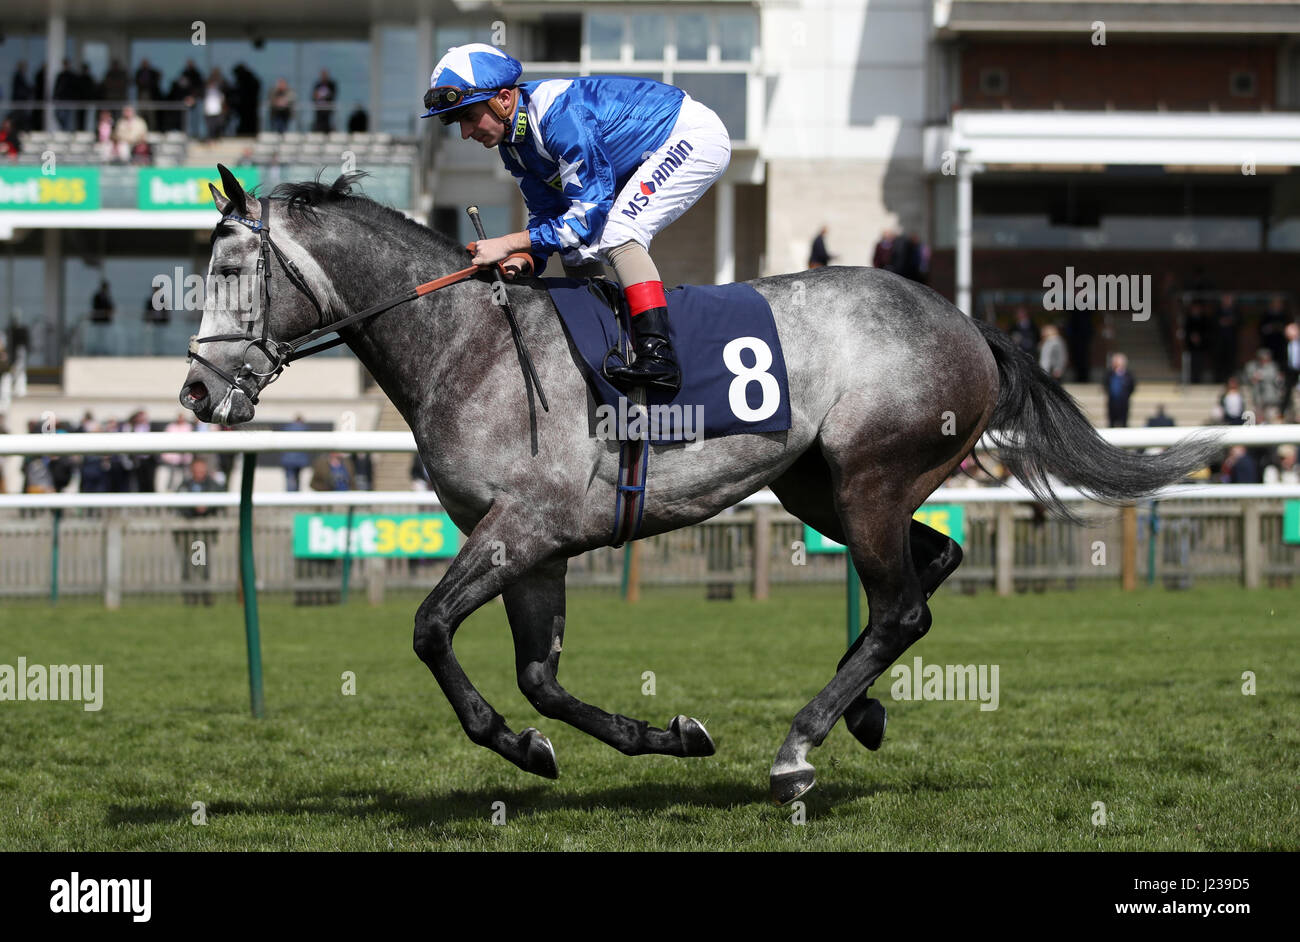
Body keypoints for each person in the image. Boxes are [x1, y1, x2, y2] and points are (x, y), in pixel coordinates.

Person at [421, 44, 731, 394]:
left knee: (618, 232)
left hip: (691, 136)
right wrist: (523, 259)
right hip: (643, 155)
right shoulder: (513, 147)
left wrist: (507, 242)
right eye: (455, 122)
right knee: (576, 252)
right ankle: (605, 347)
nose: (465, 133)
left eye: (468, 117)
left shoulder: (560, 118)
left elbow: (587, 218)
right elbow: (547, 216)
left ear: (503, 99)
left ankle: (658, 355)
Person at [175, 457, 224, 606]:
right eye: (197, 470)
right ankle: (191, 597)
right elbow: (179, 504)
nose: (200, 473)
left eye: (202, 470)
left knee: (201, 563)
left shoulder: (212, 485)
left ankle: (205, 596)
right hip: (189, 530)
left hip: (203, 531)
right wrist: (192, 508)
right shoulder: (185, 485)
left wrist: (206, 507)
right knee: (190, 565)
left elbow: (220, 498)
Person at [1104, 352, 1136, 428]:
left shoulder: (1128, 374)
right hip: (1112, 401)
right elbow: (1105, 385)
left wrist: (1127, 395)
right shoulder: (1109, 373)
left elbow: (1132, 386)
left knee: (1124, 421)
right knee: (1111, 422)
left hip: (1124, 401)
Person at [280, 414, 310, 491]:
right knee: (297, 481)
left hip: (288, 461)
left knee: (290, 481)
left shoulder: (287, 428)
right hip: (299, 461)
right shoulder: (304, 429)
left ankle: (289, 500)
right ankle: (295, 499)